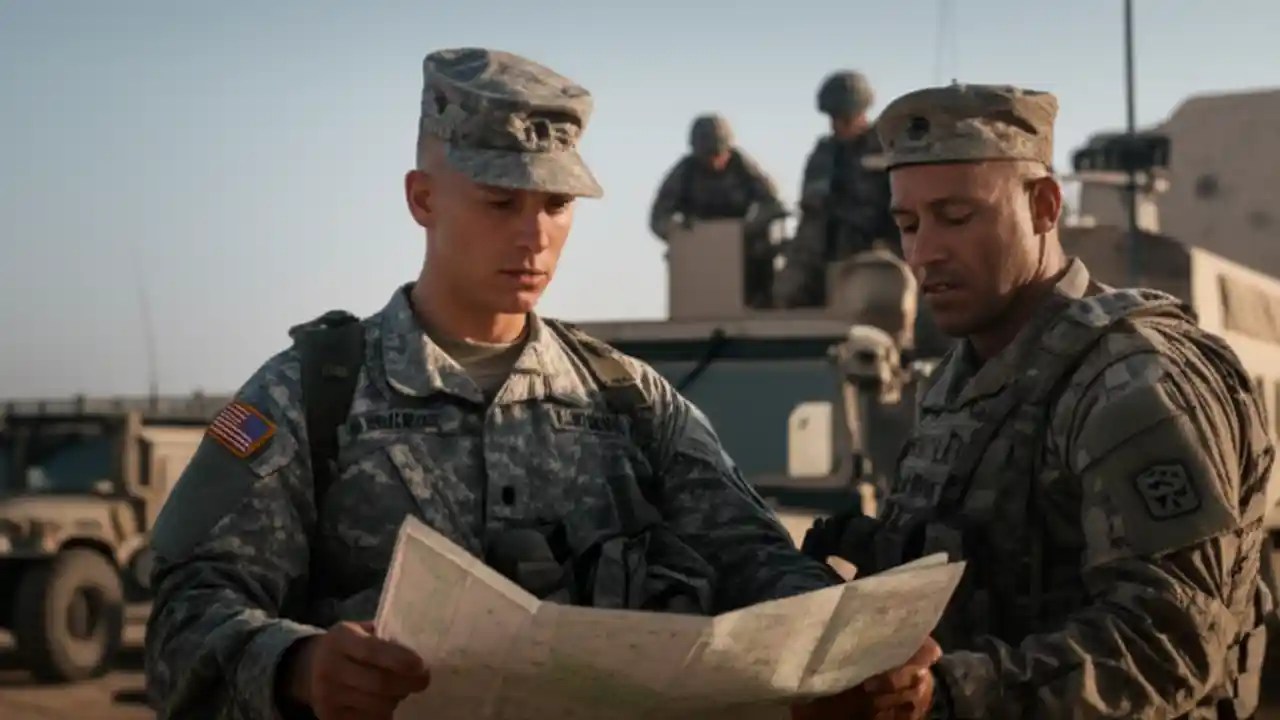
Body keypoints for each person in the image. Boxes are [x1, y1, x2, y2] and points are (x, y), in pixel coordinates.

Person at [143, 47, 936, 720]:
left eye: (557, 203)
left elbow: (754, 558)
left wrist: (849, 650)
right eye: (499, 202)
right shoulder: (310, 397)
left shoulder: (627, 400)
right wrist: (299, 668)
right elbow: (185, 613)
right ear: (423, 199)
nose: (534, 236)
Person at [803, 81, 1275, 719]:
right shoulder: (958, 380)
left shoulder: (1134, 384)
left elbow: (1170, 642)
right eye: (908, 224)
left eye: (958, 217)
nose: (923, 253)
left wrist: (947, 694)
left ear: (1045, 206)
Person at [774, 70, 898, 309]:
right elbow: (809, 206)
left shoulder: (885, 148)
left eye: (844, 117)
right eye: (833, 117)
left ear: (861, 113)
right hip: (818, 249)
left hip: (874, 250)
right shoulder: (823, 153)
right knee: (786, 293)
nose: (837, 125)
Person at [649, 113, 787, 307]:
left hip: (744, 247)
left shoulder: (743, 168)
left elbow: (774, 205)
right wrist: (677, 230)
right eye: (707, 156)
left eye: (717, 154)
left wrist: (750, 226)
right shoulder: (685, 172)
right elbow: (658, 218)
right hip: (700, 249)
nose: (713, 162)